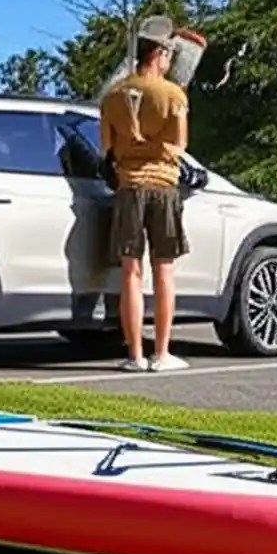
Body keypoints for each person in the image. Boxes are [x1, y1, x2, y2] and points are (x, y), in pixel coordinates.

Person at [99, 30, 191, 373]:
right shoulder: (173, 94)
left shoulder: (113, 96)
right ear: (160, 53)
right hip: (164, 187)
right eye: (168, 54)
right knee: (164, 269)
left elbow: (106, 147)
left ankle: (135, 354)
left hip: (128, 188)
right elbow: (180, 142)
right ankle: (162, 352)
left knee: (130, 272)